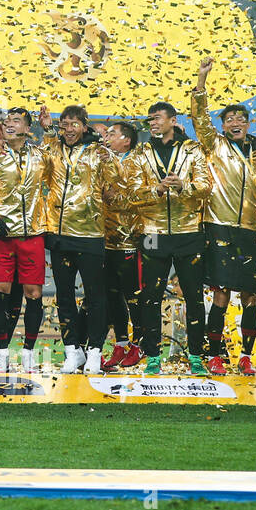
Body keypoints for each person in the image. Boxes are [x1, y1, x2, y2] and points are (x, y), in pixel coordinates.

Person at [191, 57, 256, 376]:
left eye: (241, 118)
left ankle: (247, 356)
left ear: (248, 123)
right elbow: (199, 119)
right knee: (221, 293)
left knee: (251, 295)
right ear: (223, 125)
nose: (235, 122)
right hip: (219, 226)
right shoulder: (215, 145)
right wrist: (201, 81)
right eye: (229, 119)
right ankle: (214, 355)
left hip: (252, 230)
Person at [124, 102, 212, 375]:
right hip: (153, 233)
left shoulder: (193, 150)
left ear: (173, 120)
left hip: (189, 232)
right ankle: (152, 355)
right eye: (150, 119)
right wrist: (158, 190)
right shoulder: (141, 153)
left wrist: (184, 186)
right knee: (150, 296)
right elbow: (133, 195)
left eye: (158, 118)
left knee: (194, 297)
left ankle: (196, 354)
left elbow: (207, 186)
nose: (152, 123)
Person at [40, 103, 123, 374]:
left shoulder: (98, 153)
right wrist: (47, 132)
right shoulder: (54, 149)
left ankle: (95, 351)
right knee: (64, 295)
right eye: (63, 124)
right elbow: (39, 168)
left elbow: (117, 182)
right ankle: (72, 350)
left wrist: (109, 155)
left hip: (90, 234)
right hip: (60, 234)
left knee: (95, 295)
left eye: (74, 124)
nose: (68, 129)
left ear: (84, 126)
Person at [0, 92, 49, 374]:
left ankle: (30, 352)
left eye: (17, 120)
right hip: (1, 236)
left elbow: (62, 170)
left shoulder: (42, 156)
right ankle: (2, 351)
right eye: (7, 119)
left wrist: (50, 129)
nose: (9, 123)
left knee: (33, 294)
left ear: (27, 129)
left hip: (32, 233)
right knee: (0, 292)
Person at [99, 121, 146, 371]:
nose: (106, 138)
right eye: (106, 134)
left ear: (127, 141)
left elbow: (142, 197)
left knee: (133, 296)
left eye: (112, 134)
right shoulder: (102, 161)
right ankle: (120, 343)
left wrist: (115, 196)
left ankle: (139, 345)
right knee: (113, 297)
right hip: (106, 240)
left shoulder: (138, 163)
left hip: (131, 240)